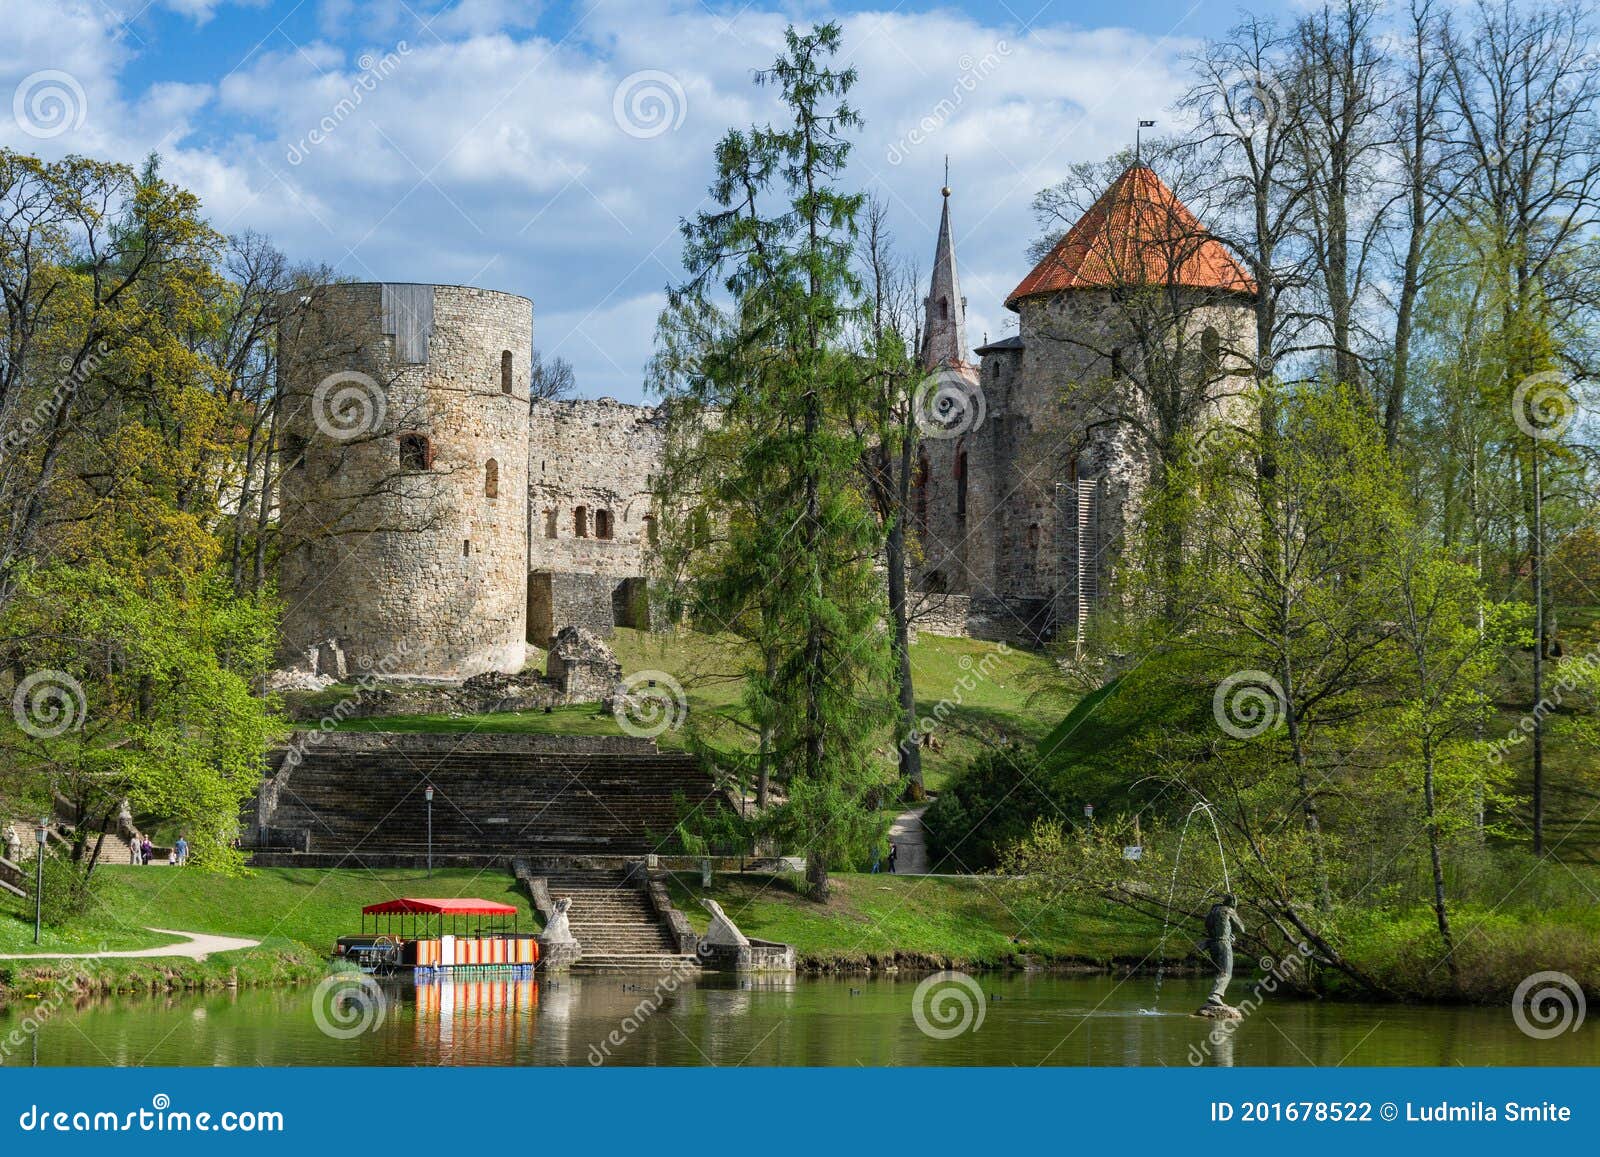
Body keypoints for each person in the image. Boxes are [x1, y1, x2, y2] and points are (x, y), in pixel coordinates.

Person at [1202, 893, 1246, 1006]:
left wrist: (1229, 932)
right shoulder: (1229, 910)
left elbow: (1208, 925)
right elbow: (1241, 929)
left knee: (1219, 971)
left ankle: (1214, 997)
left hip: (1212, 944)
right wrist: (1234, 911)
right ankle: (1215, 995)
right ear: (1233, 903)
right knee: (1226, 972)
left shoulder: (1212, 912)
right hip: (1223, 944)